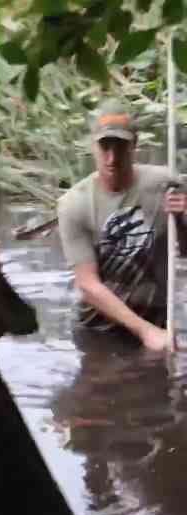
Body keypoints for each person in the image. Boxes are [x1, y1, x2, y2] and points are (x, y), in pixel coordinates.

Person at [57, 98, 187, 352]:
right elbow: (87, 285)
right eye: (105, 146)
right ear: (93, 146)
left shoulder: (166, 185)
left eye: (120, 146)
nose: (112, 157)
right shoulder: (74, 204)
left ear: (134, 146)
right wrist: (145, 331)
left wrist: (183, 219)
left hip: (158, 319)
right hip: (99, 329)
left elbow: (185, 252)